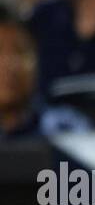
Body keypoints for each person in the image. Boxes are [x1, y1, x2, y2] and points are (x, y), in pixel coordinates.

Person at [0, 7, 88, 141]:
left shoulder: (63, 129)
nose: (10, 64)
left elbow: (65, 163)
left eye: (21, 51)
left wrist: (61, 161)